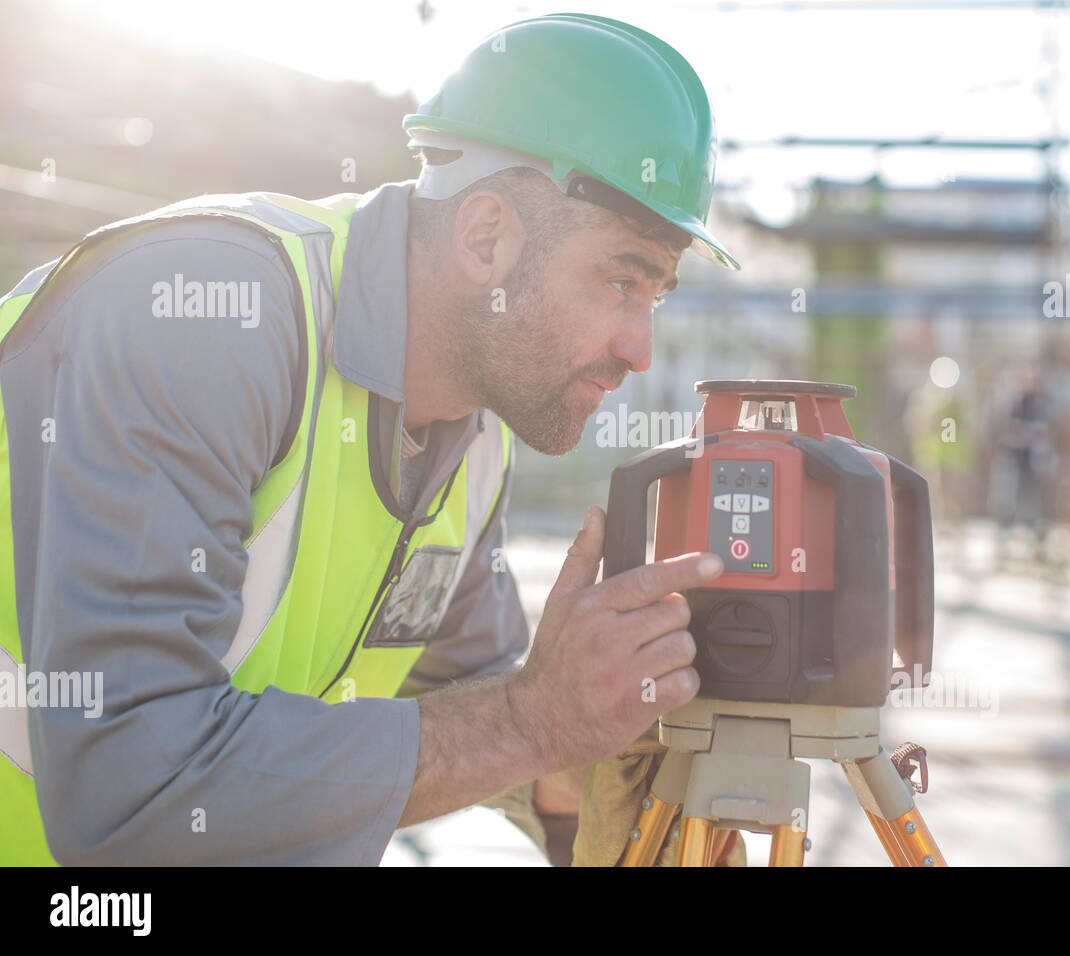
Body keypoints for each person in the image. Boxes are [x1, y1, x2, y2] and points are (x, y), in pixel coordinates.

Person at [0, 13, 739, 865]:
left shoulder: (477, 435)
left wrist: (570, 769)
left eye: (658, 295)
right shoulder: (206, 315)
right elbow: (129, 787)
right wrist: (533, 722)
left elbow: (465, 710)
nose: (639, 348)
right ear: (487, 236)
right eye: (621, 280)